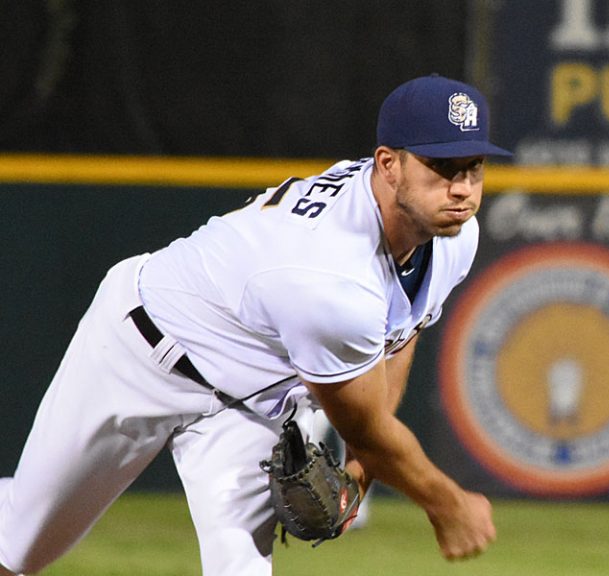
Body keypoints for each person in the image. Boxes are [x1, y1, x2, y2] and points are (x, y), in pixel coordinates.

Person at [0, 74, 511, 575]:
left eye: (474, 167)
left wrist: (356, 478)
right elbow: (365, 426)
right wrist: (448, 504)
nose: (462, 189)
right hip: (141, 348)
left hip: (248, 402)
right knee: (22, 549)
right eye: (442, 167)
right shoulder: (329, 276)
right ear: (388, 164)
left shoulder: (450, 236)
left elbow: (400, 336)